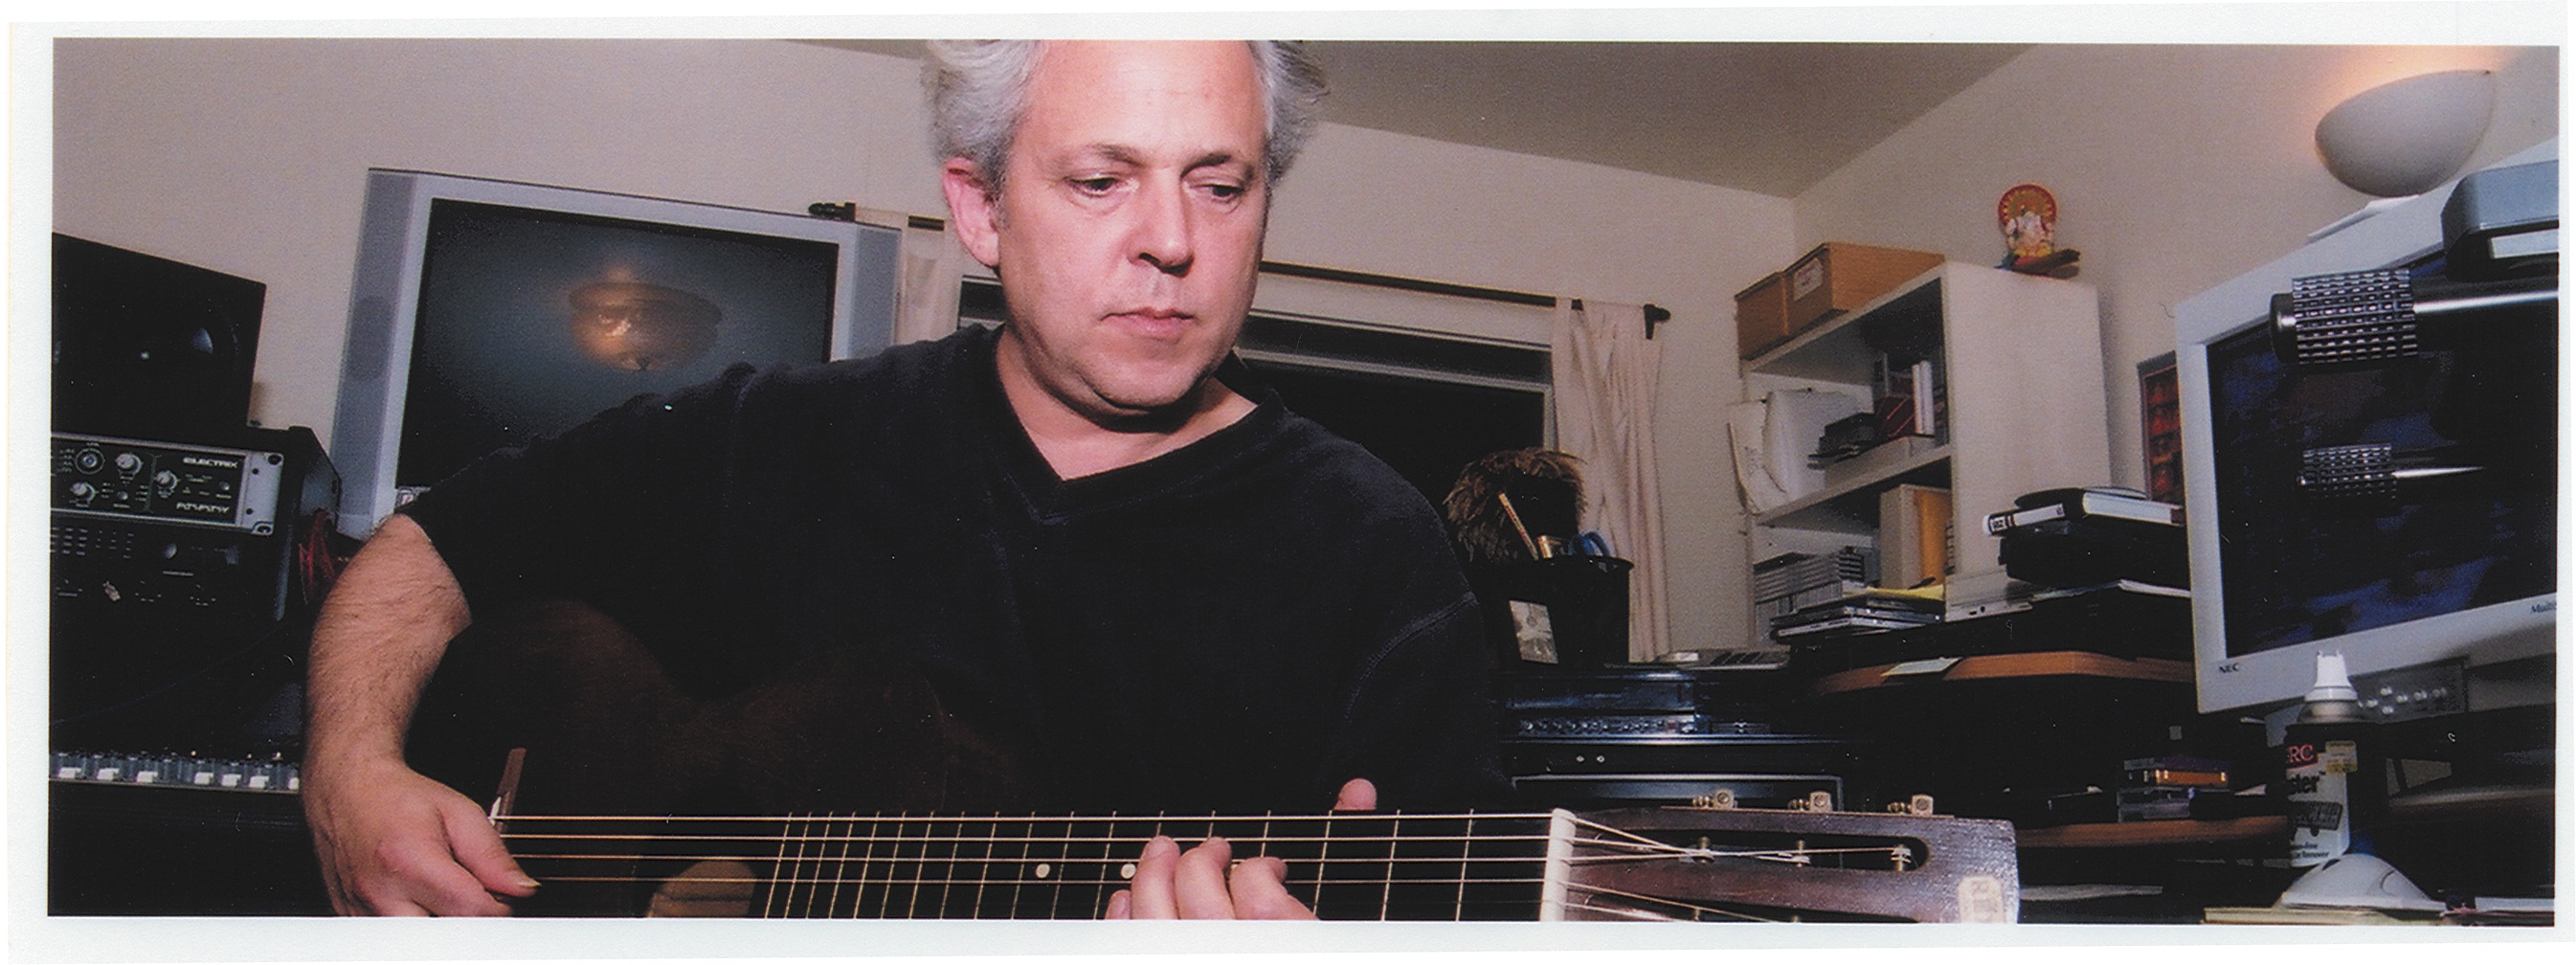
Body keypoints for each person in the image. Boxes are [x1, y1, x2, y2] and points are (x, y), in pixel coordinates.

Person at [300, 38, 1504, 920]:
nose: (1173, 240)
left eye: (1220, 184)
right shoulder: (775, 434)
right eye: (1101, 181)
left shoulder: (1376, 550)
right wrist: (351, 773)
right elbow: (433, 544)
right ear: (980, 209)